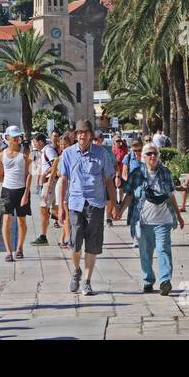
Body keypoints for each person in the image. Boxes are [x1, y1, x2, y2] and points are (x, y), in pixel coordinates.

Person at [56, 118, 119, 295]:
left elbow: (108, 181)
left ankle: (87, 280)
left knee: (93, 245)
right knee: (74, 245)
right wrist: (61, 206)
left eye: (85, 132)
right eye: (79, 133)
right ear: (76, 136)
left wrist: (113, 204)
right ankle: (76, 271)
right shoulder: (68, 154)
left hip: (96, 204)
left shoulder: (101, 153)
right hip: (75, 204)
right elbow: (63, 181)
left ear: (91, 135)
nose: (82, 135)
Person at [120, 143, 183, 294]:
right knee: (145, 252)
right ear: (143, 157)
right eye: (149, 154)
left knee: (163, 249)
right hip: (142, 221)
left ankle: (165, 281)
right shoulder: (136, 173)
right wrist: (119, 211)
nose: (152, 156)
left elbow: (171, 195)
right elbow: (128, 195)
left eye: (154, 153)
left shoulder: (165, 172)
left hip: (163, 220)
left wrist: (179, 216)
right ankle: (148, 280)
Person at [0, 125, 30, 261]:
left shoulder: (25, 153)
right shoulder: (2, 155)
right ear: (7, 138)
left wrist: (26, 193)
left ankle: (19, 248)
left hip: (21, 190)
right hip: (6, 191)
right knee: (6, 220)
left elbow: (29, 174)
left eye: (18, 136)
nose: (17, 139)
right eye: (14, 137)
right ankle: (8, 252)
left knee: (22, 221)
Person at [31, 132, 58, 245]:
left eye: (35, 142)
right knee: (54, 209)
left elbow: (56, 162)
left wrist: (46, 173)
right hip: (47, 183)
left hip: (49, 183)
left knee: (43, 209)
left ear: (41, 142)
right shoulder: (44, 151)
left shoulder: (48, 150)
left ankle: (43, 236)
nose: (34, 144)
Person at [122, 138, 145, 246]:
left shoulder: (146, 157)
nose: (137, 153)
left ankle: (142, 237)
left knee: (142, 215)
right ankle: (135, 237)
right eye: (134, 150)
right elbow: (124, 172)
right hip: (132, 188)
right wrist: (128, 181)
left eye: (139, 150)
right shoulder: (128, 157)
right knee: (133, 215)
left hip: (144, 190)